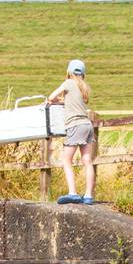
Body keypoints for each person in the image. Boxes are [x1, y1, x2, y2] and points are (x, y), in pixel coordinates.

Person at [47, 60, 95, 205]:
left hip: (75, 125)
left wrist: (57, 100)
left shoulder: (68, 83)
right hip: (87, 125)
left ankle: (73, 193)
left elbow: (51, 97)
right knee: (87, 161)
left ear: (69, 71)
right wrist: (65, 100)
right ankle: (88, 196)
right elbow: (76, 102)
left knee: (66, 160)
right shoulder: (84, 87)